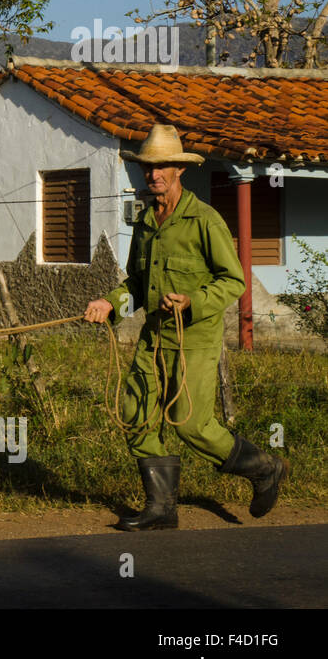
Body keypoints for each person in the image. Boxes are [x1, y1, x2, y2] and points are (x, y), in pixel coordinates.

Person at [84, 124, 290, 530]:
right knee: (136, 413)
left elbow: (233, 280)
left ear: (180, 169)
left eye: (163, 167)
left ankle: (265, 468)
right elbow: (137, 285)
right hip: (153, 340)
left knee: (192, 424)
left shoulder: (204, 221)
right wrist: (110, 302)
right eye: (149, 168)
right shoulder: (145, 223)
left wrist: (192, 301)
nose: (154, 174)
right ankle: (161, 509)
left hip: (194, 341)